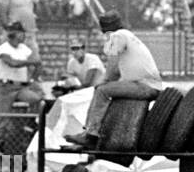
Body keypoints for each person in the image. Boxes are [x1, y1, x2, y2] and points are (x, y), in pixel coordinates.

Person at [64, 12, 163, 151]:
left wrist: (103, 81)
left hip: (143, 85)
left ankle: (91, 135)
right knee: (107, 90)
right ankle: (93, 134)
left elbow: (112, 68)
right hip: (148, 85)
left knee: (102, 90)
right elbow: (117, 70)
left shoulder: (118, 36)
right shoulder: (127, 35)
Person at [0, 22, 44, 142]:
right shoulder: (3, 48)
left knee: (36, 99)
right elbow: (13, 63)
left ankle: (29, 126)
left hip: (21, 87)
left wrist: (33, 78)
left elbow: (38, 63)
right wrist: (31, 62)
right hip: (6, 87)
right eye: (21, 33)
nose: (24, 35)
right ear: (15, 34)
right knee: (3, 119)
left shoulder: (23, 48)